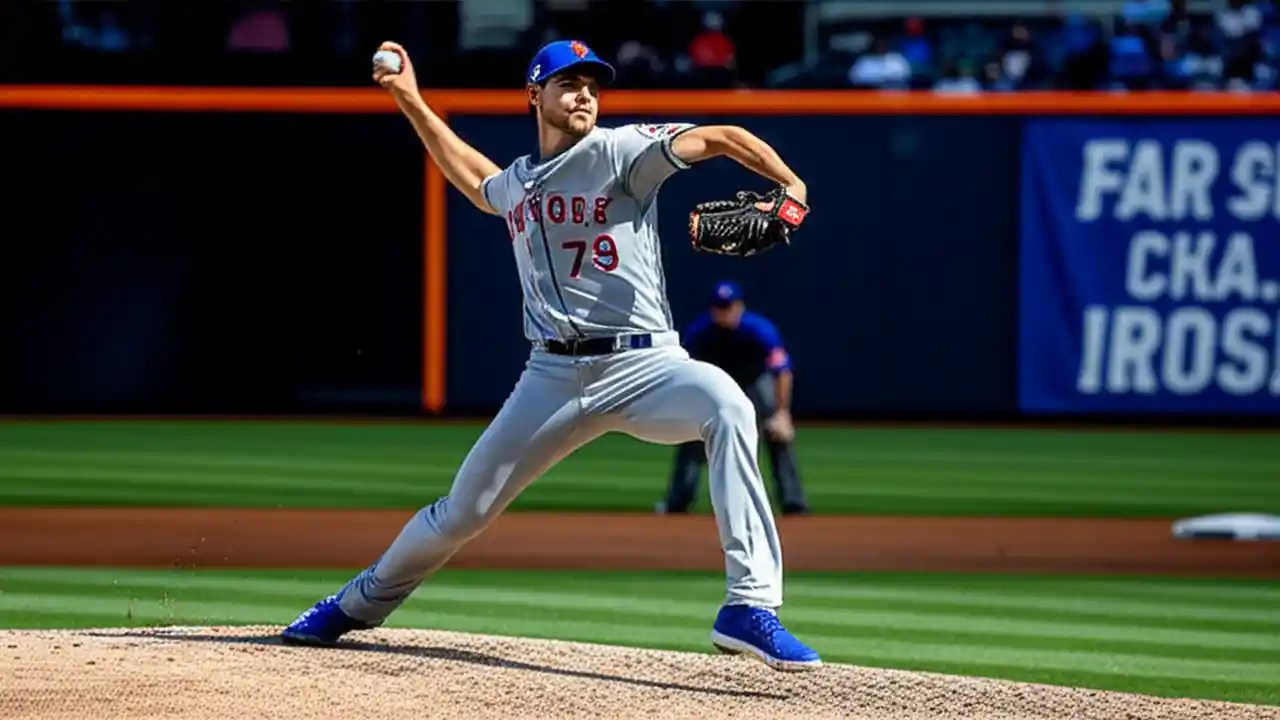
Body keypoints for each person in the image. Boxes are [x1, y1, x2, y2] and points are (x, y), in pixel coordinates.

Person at [280, 38, 821, 671]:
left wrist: (790, 184)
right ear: (535, 95)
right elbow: (477, 181)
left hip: (646, 366)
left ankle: (749, 606)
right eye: (569, 83)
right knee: (463, 512)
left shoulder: (621, 152)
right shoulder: (520, 183)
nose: (585, 93)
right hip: (552, 376)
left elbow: (721, 136)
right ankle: (355, 605)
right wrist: (411, 101)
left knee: (727, 404)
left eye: (593, 84)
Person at [658, 281, 810, 517]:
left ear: (740, 306)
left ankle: (794, 502)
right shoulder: (701, 332)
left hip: (754, 384)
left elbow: (782, 371)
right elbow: (682, 369)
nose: (724, 312)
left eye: (729, 306)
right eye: (719, 307)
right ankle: (677, 501)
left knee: (778, 434)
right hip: (718, 385)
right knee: (692, 433)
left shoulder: (758, 329)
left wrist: (782, 413)